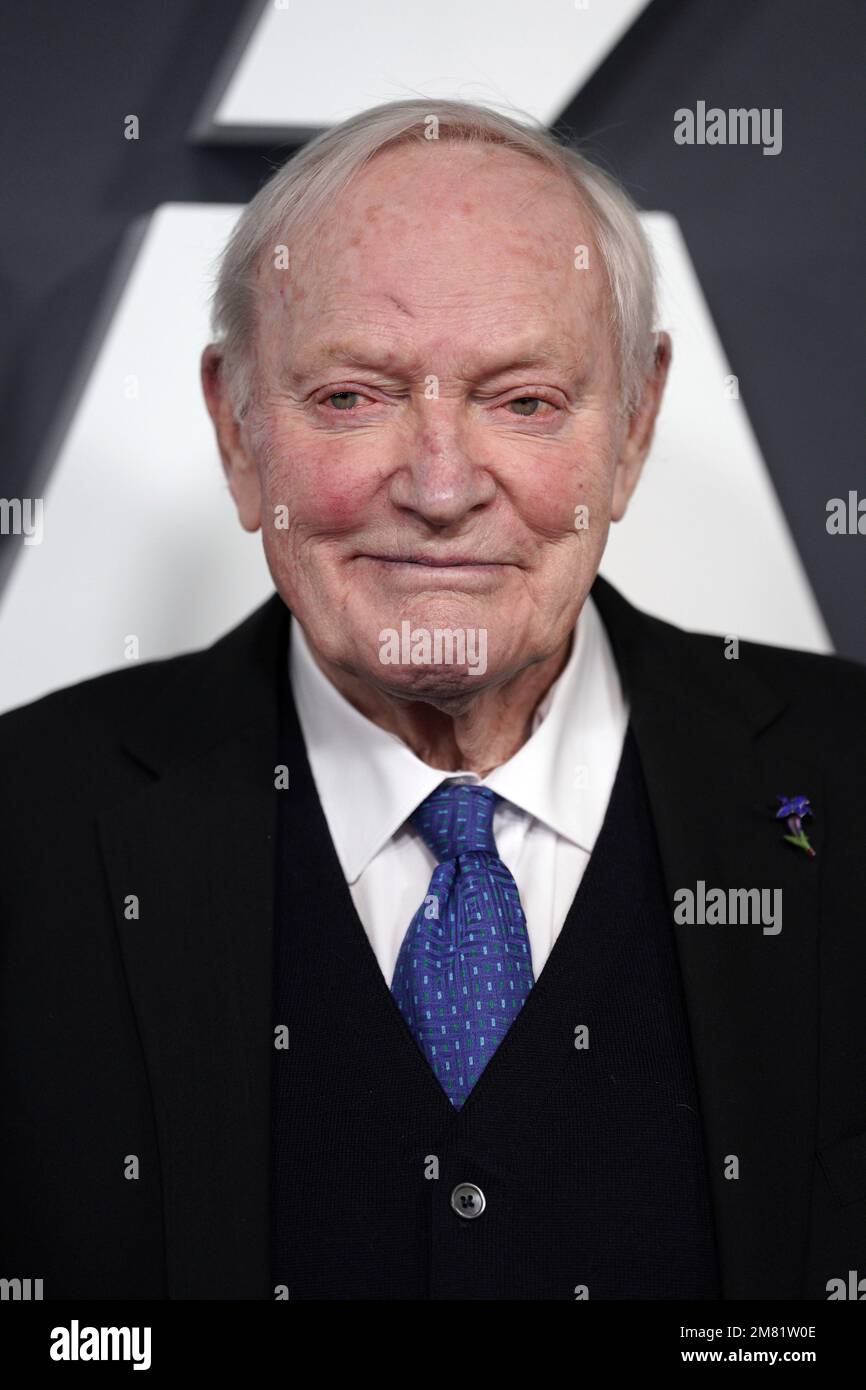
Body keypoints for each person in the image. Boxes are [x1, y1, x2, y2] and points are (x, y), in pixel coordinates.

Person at [1, 99, 863, 1302]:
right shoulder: (25, 826)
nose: (442, 486)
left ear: (632, 429)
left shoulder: (847, 781)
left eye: (523, 400)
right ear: (237, 431)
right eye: (352, 396)